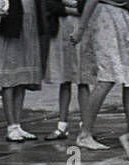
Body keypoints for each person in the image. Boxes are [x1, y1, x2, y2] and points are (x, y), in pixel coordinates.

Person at [70, 0, 129, 148]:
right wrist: (80, 28)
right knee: (107, 76)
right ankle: (85, 134)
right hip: (105, 16)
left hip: (123, 16)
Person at [0, 0, 48, 140]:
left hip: (28, 24)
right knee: (9, 78)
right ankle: (11, 126)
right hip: (10, 25)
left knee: (21, 79)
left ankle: (17, 124)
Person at [44, 0, 95, 138]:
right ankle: (62, 125)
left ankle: (86, 125)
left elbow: (87, 6)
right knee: (64, 78)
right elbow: (51, 5)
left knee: (83, 80)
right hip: (61, 28)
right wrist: (74, 8)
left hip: (81, 29)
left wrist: (66, 6)